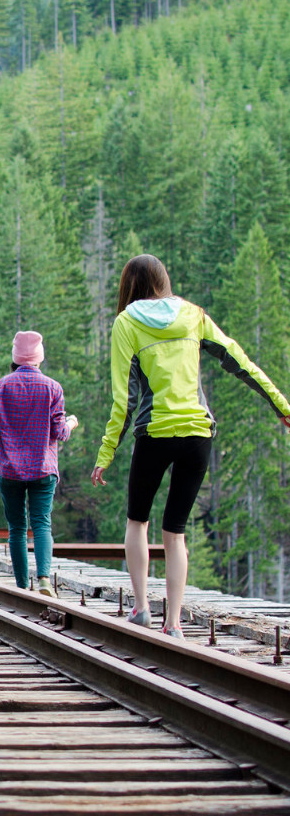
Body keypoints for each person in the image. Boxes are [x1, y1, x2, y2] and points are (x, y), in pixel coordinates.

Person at [91, 254, 290, 638]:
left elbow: (123, 400)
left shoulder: (126, 323)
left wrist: (107, 453)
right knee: (175, 532)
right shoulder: (194, 315)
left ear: (128, 286)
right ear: (163, 280)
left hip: (155, 434)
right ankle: (174, 622)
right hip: (198, 435)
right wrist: (282, 405)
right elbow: (240, 361)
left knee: (138, 521)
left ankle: (142, 608)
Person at [0, 331, 78, 597]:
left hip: (9, 468)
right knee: (42, 523)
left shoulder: (1, 386)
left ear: (15, 357)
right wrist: (71, 424)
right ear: (39, 357)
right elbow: (59, 433)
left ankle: (22, 586)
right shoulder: (53, 388)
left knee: (17, 527)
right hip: (43, 468)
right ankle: (44, 579)